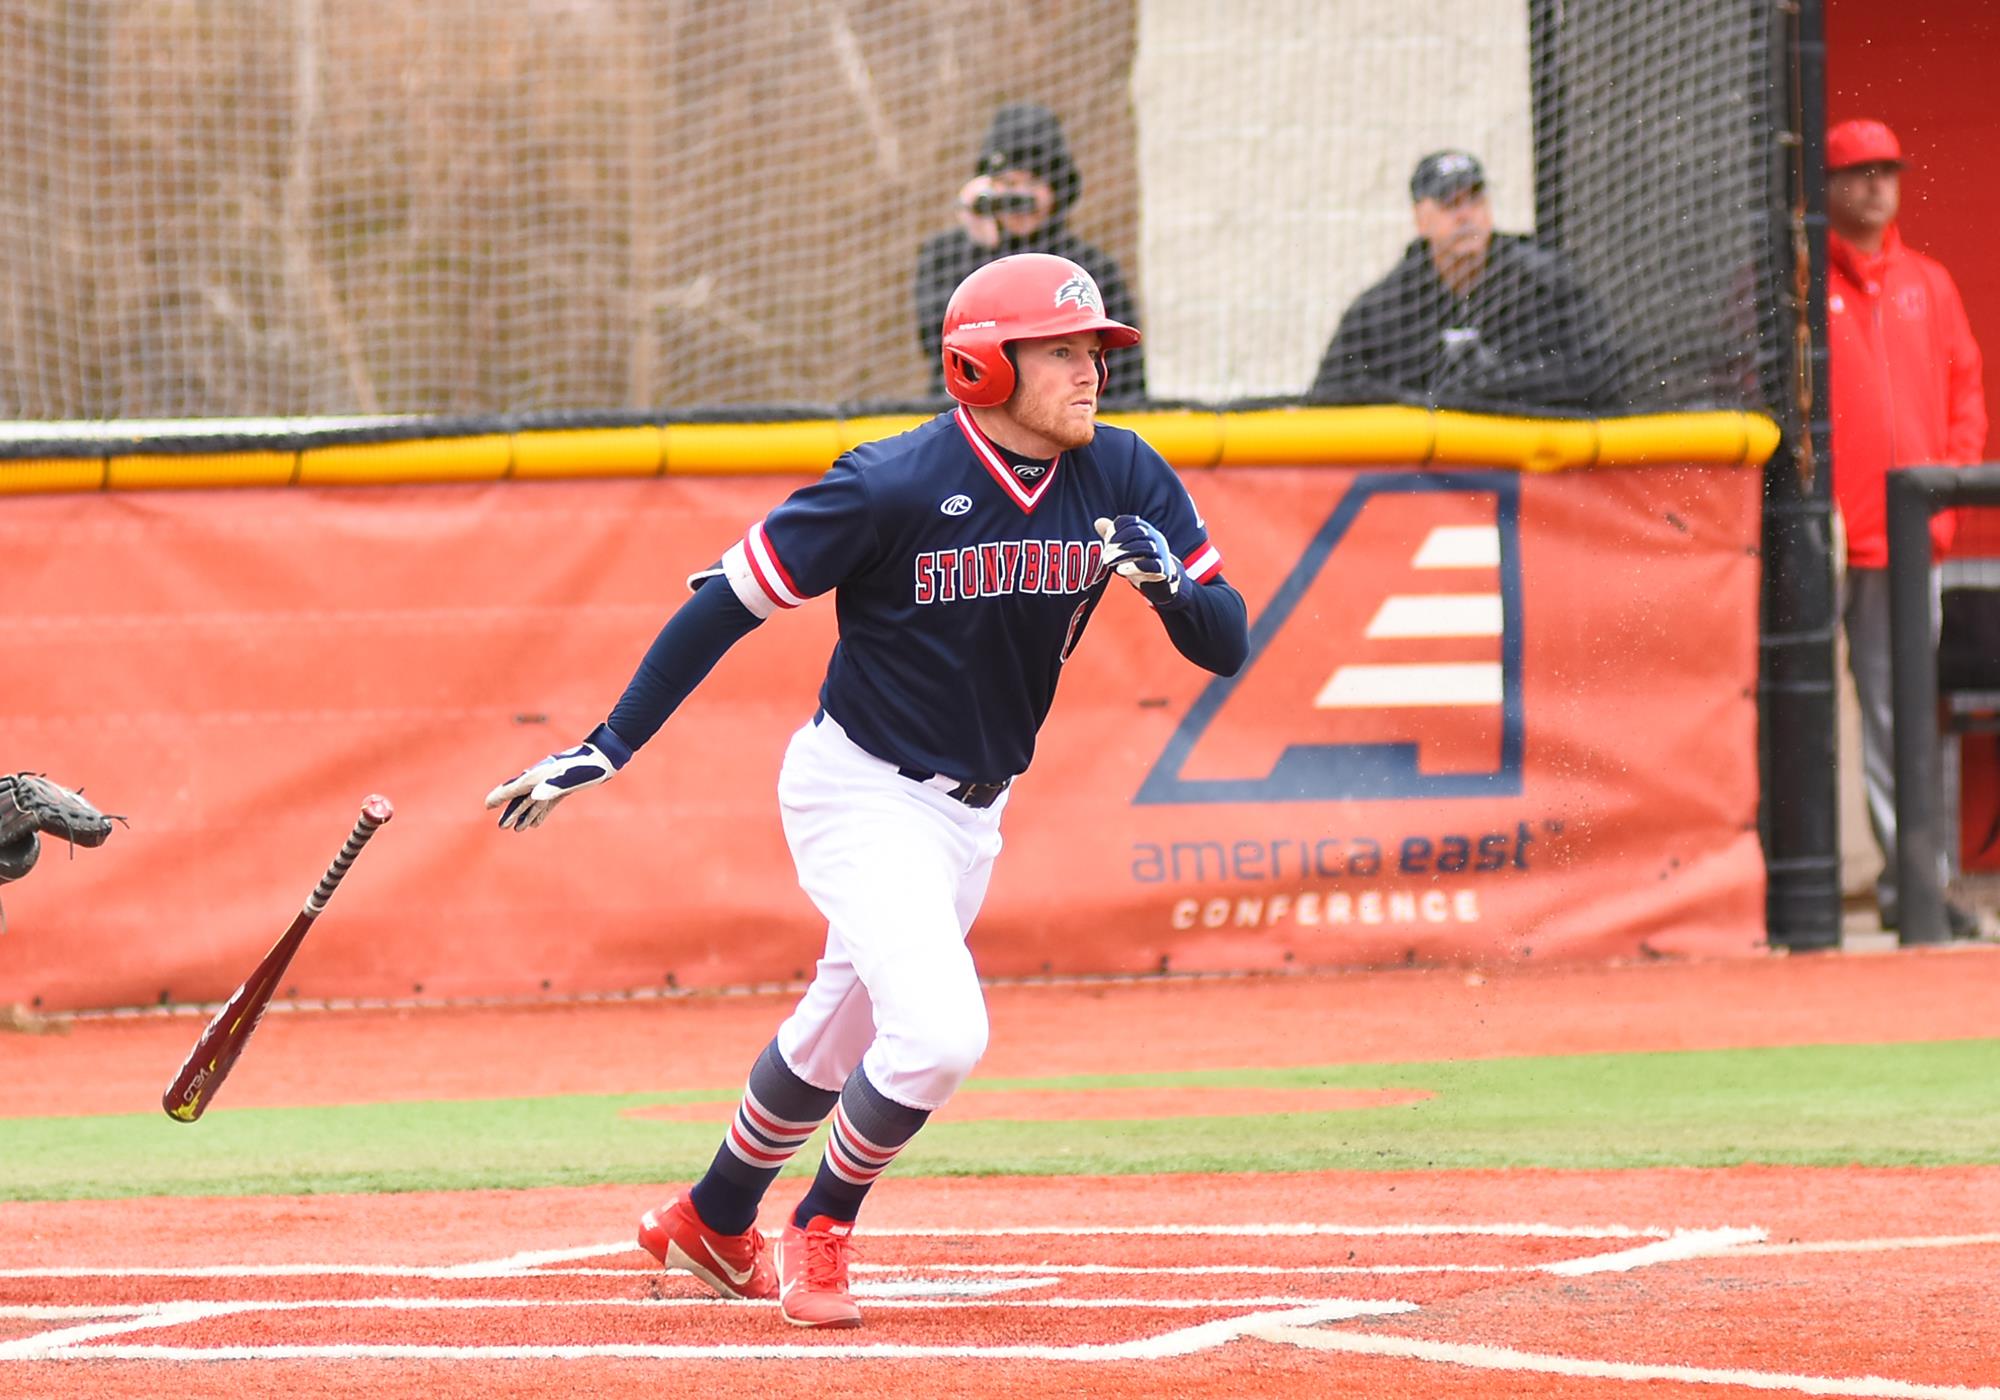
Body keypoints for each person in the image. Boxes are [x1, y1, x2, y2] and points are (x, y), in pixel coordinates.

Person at [486, 253, 1247, 1328]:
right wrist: (609, 742)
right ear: (982, 364)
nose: (1092, 373)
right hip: (858, 788)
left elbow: (1226, 640)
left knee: (834, 1036)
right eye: (1065, 351)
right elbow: (726, 600)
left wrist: (1167, 583)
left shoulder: (1120, 474)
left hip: (973, 812)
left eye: (1095, 351)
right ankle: (821, 1223)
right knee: (937, 1034)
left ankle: (711, 1215)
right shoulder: (889, 481)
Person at [1824, 117, 1988, 937]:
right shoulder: (1793, 282)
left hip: (1904, 537)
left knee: (1899, 717)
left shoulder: (1930, 281)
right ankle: (1802, 886)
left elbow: (1967, 395)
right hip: (1819, 543)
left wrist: (1947, 504)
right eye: (1857, 171)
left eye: (1887, 169)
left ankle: (1914, 886)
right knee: (1798, 714)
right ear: (1825, 187)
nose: (1875, 185)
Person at [1308, 150, 1624, 412]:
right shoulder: (1383, 307)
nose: (1465, 216)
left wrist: (1487, 387)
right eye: (1450, 204)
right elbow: (1327, 399)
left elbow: (1600, 374)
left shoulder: (1548, 284)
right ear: (1421, 218)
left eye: (1474, 200)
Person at [914, 102, 1146, 401]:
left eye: (1033, 183)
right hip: (972, 417)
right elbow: (939, 342)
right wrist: (982, 249)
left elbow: (1126, 374)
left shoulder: (1090, 269)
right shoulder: (945, 256)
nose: (1019, 197)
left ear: (1056, 191)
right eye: (1008, 184)